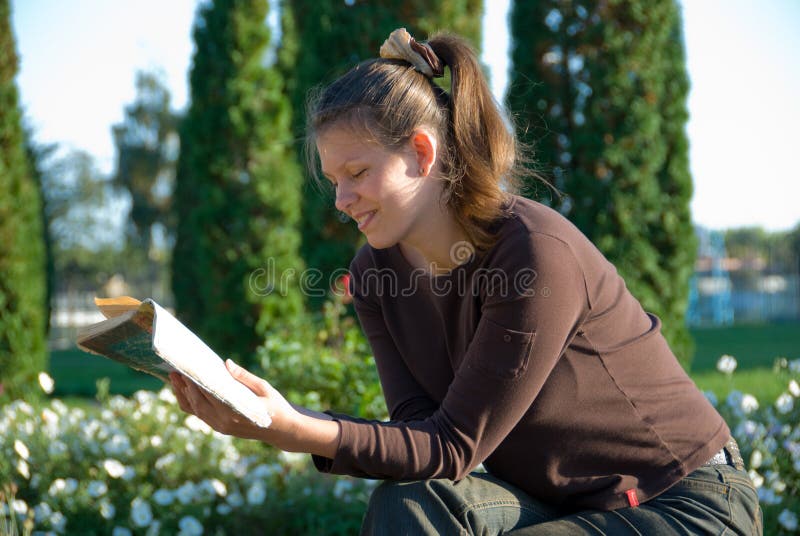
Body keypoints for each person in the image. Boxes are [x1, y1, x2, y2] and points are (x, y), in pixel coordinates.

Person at [169, 28, 762, 535]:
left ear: (422, 153)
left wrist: (296, 429)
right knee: (411, 503)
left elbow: (455, 445)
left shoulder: (532, 253)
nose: (343, 200)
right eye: (334, 181)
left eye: (358, 173)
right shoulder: (374, 277)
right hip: (559, 506)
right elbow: (420, 440)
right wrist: (282, 421)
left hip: (683, 502)